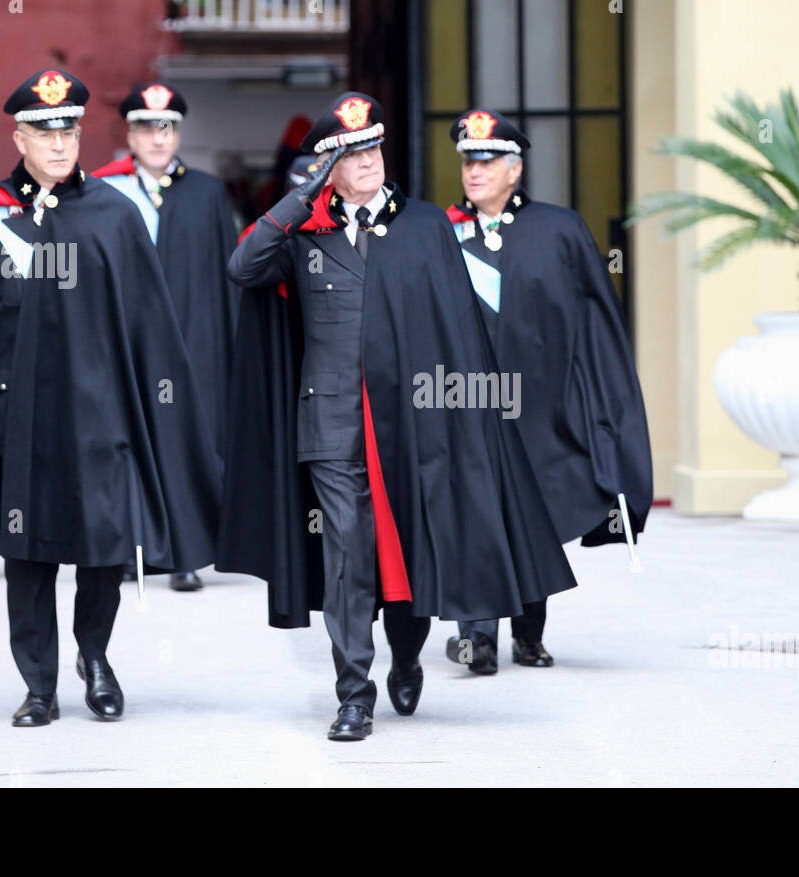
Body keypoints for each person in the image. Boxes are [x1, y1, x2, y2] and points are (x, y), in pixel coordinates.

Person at [224, 92, 577, 740]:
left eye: (373, 148)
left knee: (408, 555)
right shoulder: (304, 231)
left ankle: (407, 655)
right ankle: (353, 695)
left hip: (414, 423)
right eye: (351, 153)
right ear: (328, 164)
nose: (367, 161)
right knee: (347, 556)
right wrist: (302, 197)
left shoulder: (423, 226)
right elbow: (242, 266)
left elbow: (457, 329)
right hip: (331, 424)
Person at [0, 69, 222, 725]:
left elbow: (147, 323)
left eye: (68, 131)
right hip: (22, 418)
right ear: (19, 138)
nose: (59, 143)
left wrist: (156, 409)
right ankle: (39, 685)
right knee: (28, 554)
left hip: (103, 417)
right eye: (44, 133)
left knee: (105, 547)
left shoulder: (113, 215)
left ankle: (94, 658)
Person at [440, 108, 652, 674]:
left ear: (514, 169)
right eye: (468, 162)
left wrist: (598, 402)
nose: (474, 172)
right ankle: (477, 637)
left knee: (535, 520)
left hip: (541, 408)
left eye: (487, 162)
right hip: (466, 404)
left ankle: (528, 634)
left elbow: (594, 322)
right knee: (475, 516)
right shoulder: (443, 233)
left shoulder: (560, 229)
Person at [92, 82, 240, 592]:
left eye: (167, 128)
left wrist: (231, 349)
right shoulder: (105, 192)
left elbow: (228, 277)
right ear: (130, 135)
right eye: (147, 128)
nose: (157, 138)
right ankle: (128, 548)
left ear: (177, 135)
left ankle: (185, 554)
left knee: (189, 447)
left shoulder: (207, 193)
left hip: (194, 343)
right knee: (128, 446)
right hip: (126, 344)